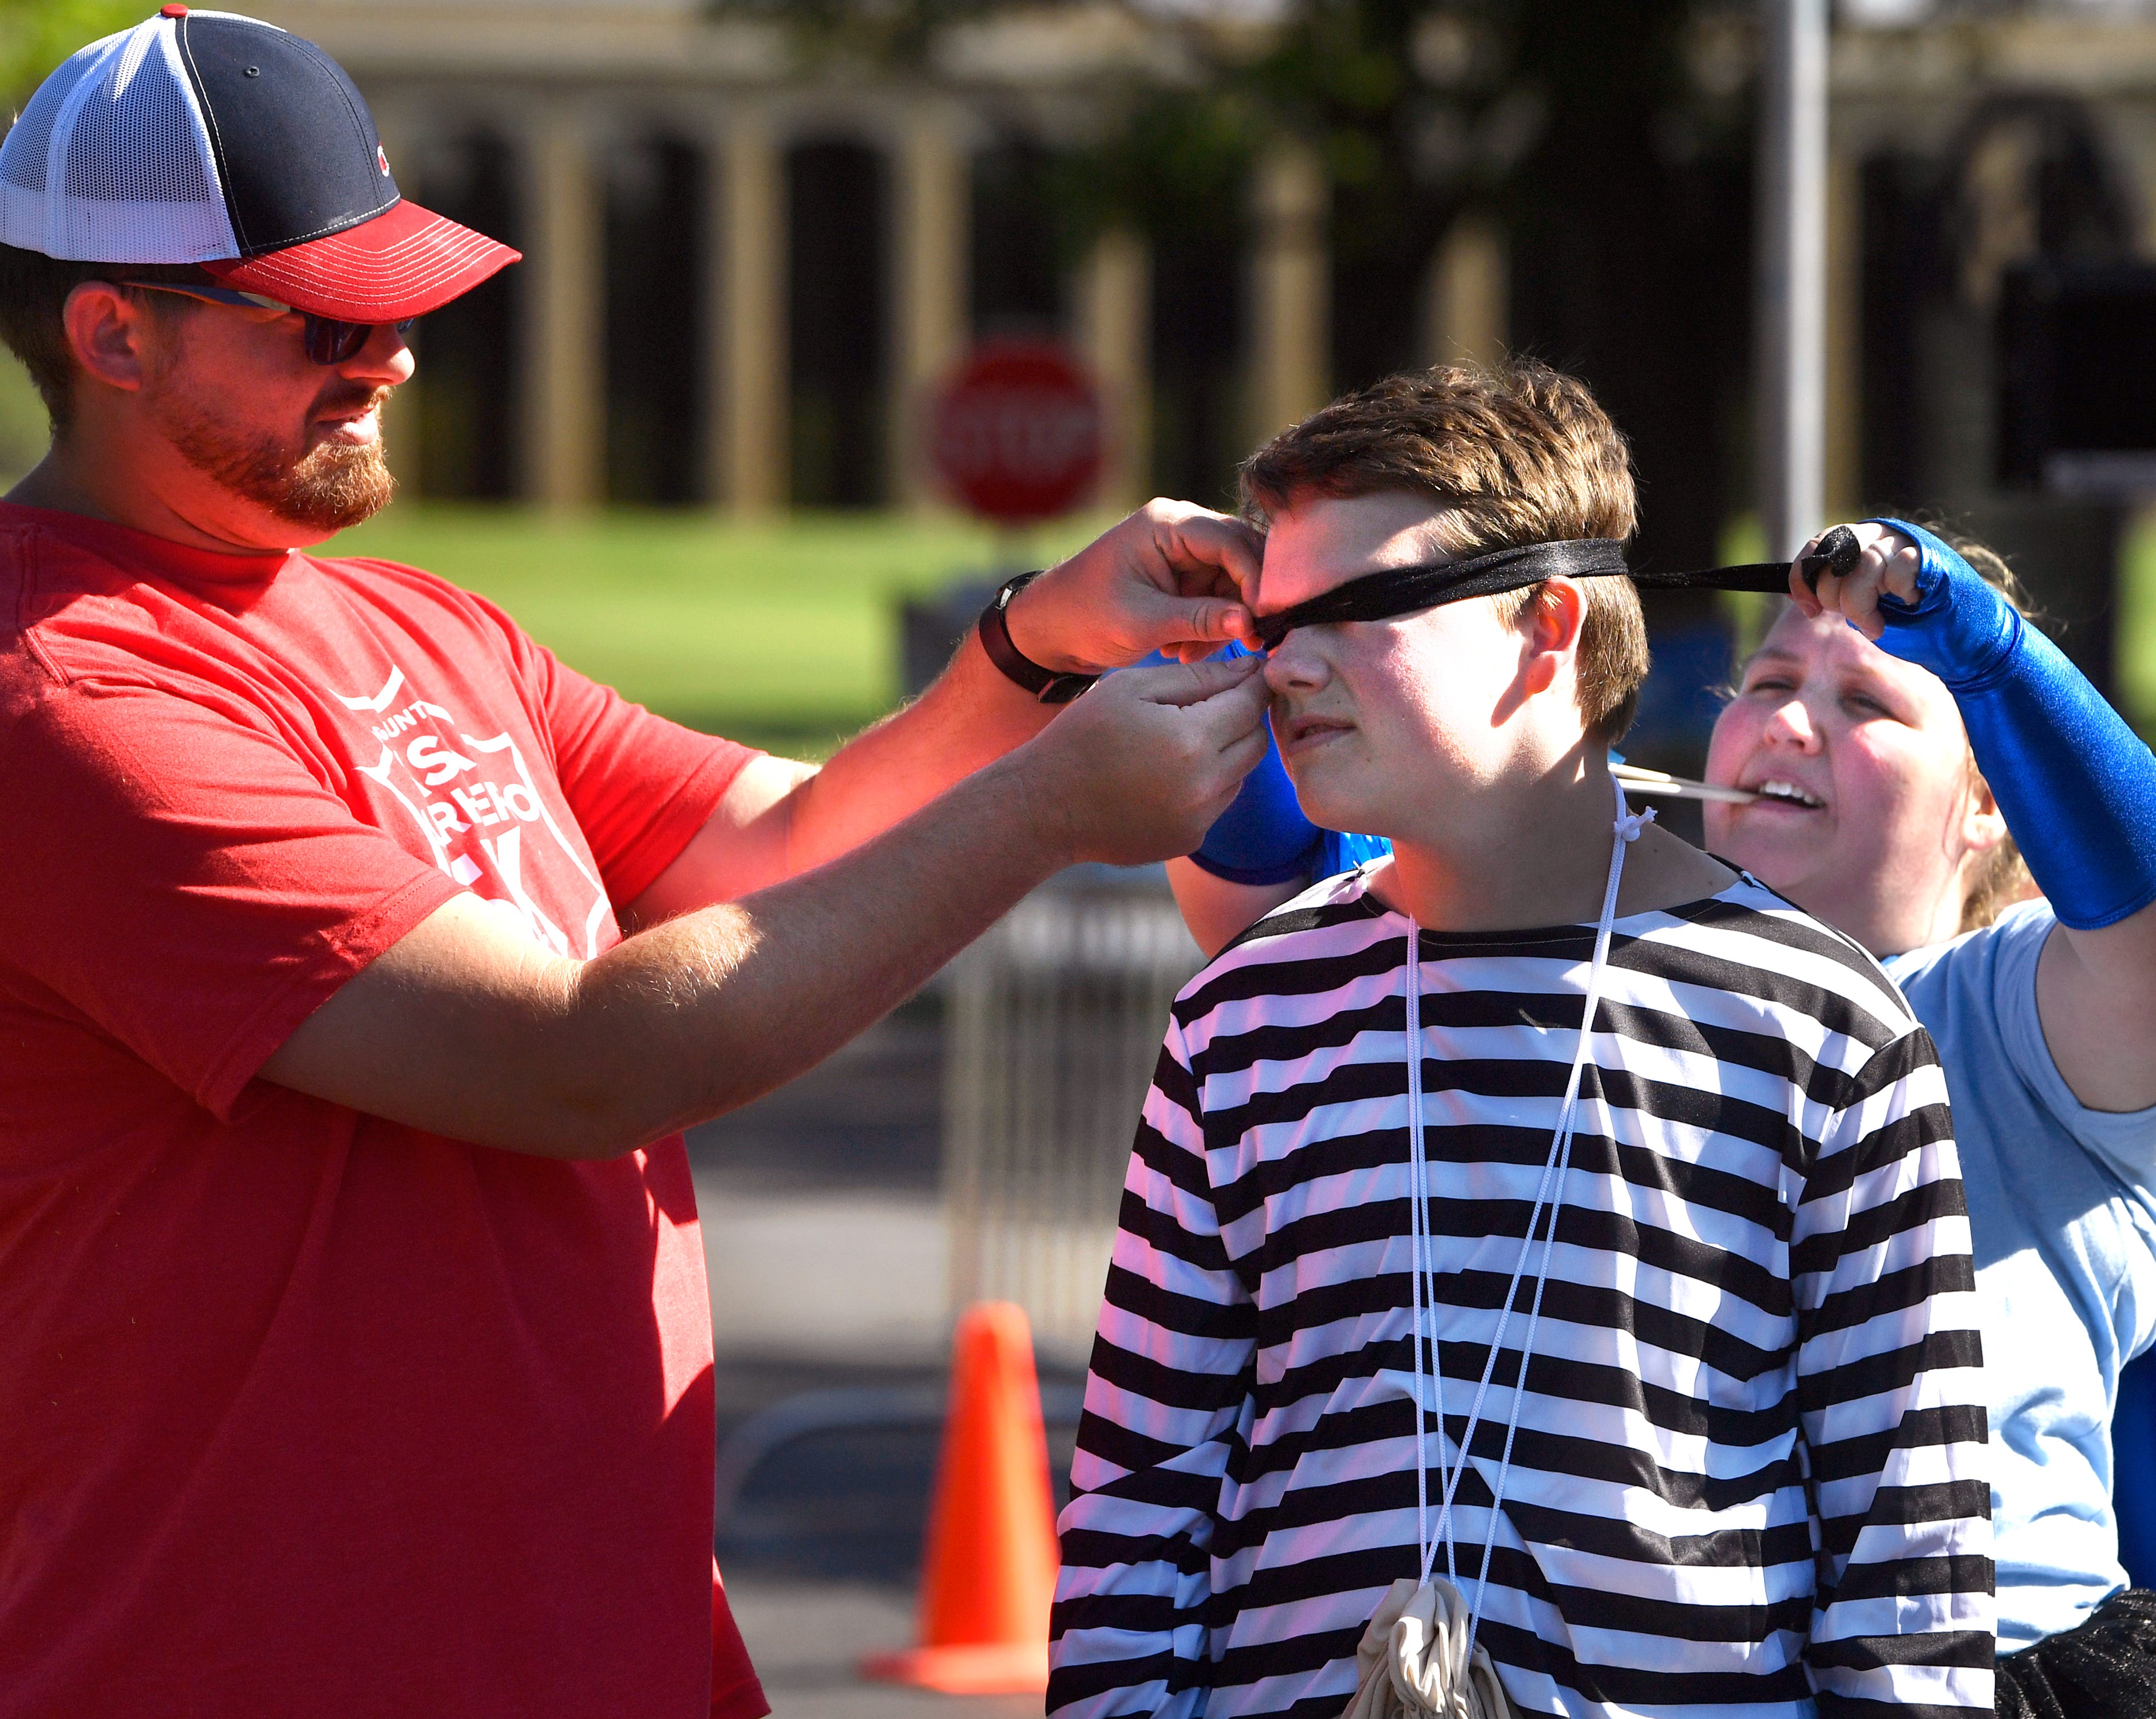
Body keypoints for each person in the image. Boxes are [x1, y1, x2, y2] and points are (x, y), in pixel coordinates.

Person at [0, 13, 1275, 1718]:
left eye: (409, 303)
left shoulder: (418, 621)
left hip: (622, 1653)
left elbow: (792, 842)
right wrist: (1047, 807)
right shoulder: (61, 692)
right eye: (330, 313)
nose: (393, 357)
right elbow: (569, 1059)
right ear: (113, 334)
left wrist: (1033, 647)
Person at [1046, 363, 1993, 1719]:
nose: (1284, 665)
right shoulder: (1241, 1015)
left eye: (1348, 612)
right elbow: (1138, 1499)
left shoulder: (1821, 1023)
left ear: (1547, 625)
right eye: (1270, 625)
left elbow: (1910, 1554)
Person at [1169, 452, 2156, 1713]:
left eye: (1871, 706)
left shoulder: (2022, 1005)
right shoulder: (1598, 964)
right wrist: (1271, 627)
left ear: (1988, 810)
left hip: (1992, 1661)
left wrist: (1982, 643)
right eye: (1770, 684)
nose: (1791, 722)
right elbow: (1285, 871)